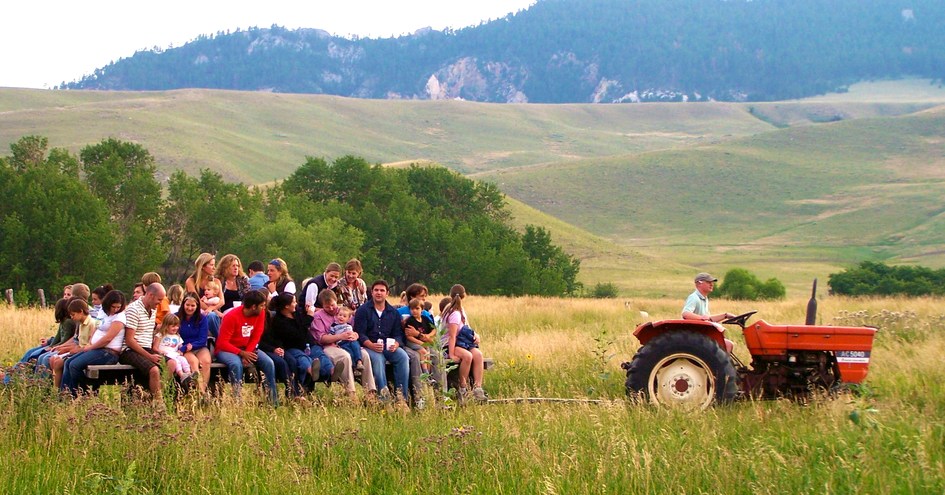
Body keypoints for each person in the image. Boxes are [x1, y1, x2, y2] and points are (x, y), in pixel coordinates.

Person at [310, 289, 376, 401]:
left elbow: (354, 328)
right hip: (329, 346)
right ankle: (351, 393)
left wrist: (355, 335)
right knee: (344, 356)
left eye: (333, 305)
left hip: (348, 343)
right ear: (322, 306)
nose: (331, 308)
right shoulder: (318, 317)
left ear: (336, 301)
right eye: (327, 307)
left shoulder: (344, 312)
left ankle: (370, 392)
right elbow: (321, 338)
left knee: (364, 355)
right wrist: (340, 336)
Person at [215, 289, 278, 406]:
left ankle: (273, 401)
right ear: (253, 307)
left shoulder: (260, 313)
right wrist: (242, 353)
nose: (264, 308)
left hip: (247, 348)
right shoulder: (231, 317)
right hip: (227, 349)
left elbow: (256, 336)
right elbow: (222, 343)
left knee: (268, 362)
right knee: (236, 364)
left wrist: (247, 352)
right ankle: (237, 400)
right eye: (262, 305)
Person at [263, 293, 332, 397]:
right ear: (287, 306)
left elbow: (303, 325)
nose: (296, 304)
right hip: (294, 347)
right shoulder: (279, 321)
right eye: (294, 302)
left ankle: (332, 371)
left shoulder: (297, 313)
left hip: (308, 345)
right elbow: (298, 334)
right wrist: (310, 316)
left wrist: (306, 314)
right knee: (303, 359)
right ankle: (312, 372)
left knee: (320, 355)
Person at [60, 290, 127, 397]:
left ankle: (84, 394)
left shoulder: (119, 317)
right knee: (68, 362)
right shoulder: (102, 312)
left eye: (118, 307)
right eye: (113, 307)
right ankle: (65, 395)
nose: (115, 309)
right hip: (96, 349)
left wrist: (91, 347)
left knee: (74, 365)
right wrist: (90, 342)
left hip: (108, 352)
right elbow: (96, 327)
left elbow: (108, 338)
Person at [354, 280, 410, 403]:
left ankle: (401, 399)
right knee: (378, 360)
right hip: (369, 346)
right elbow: (359, 333)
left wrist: (396, 343)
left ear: (387, 293)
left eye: (382, 290)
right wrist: (370, 344)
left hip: (388, 346)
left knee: (403, 357)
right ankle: (384, 399)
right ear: (372, 292)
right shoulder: (363, 310)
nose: (379, 293)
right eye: (376, 290)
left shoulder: (393, 312)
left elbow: (398, 334)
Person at [118, 282, 167, 406]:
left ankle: (152, 398)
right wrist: (149, 356)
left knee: (169, 364)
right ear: (150, 295)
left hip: (145, 347)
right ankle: (159, 404)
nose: (160, 303)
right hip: (130, 350)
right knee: (154, 370)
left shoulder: (153, 310)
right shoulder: (134, 309)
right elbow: (129, 340)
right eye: (159, 299)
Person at [440, 284, 487, 403]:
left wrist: (475, 335)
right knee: (467, 356)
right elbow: (451, 336)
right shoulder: (453, 312)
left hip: (462, 342)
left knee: (478, 355)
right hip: (450, 344)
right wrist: (451, 354)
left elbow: (467, 327)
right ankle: (463, 387)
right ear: (464, 295)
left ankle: (478, 388)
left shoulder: (461, 310)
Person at [50, 298, 99, 389]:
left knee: (61, 363)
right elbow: (78, 342)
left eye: (73, 314)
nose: (72, 317)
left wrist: (72, 350)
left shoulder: (91, 324)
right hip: (79, 350)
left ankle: (65, 389)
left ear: (81, 311)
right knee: (54, 359)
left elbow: (89, 344)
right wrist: (65, 348)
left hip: (85, 351)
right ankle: (58, 389)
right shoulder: (81, 324)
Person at [177, 292, 211, 395]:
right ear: (183, 304)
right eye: (187, 305)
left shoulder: (202, 318)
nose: (190, 308)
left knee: (206, 361)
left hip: (198, 346)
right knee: (194, 362)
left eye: (193, 306)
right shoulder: (177, 317)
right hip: (183, 348)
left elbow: (202, 339)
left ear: (197, 306)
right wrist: (184, 348)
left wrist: (192, 345)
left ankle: (203, 390)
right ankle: (199, 391)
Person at [153, 313, 193, 388]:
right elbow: (154, 347)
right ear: (166, 326)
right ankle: (181, 375)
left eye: (177, 326)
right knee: (176, 361)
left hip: (174, 354)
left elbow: (181, 347)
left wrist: (185, 349)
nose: (176, 328)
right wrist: (160, 351)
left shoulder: (177, 336)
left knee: (183, 359)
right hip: (166, 355)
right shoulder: (160, 335)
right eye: (173, 326)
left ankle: (188, 373)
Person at [403, 298, 436, 373]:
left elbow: (434, 329)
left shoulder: (425, 319)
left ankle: (428, 374)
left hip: (423, 341)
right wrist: (421, 343)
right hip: (412, 342)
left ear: (422, 309)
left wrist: (428, 336)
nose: (414, 311)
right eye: (412, 309)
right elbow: (408, 336)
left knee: (428, 354)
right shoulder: (410, 321)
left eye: (417, 308)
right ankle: (425, 372)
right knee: (423, 352)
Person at [330, 306, 362, 370]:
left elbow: (352, 334)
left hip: (350, 340)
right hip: (341, 342)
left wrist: (354, 335)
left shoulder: (349, 326)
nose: (341, 317)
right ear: (337, 316)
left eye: (344, 316)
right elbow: (331, 335)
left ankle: (359, 361)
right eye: (340, 315)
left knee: (356, 345)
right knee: (349, 352)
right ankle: (354, 367)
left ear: (348, 319)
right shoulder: (334, 326)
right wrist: (333, 343)